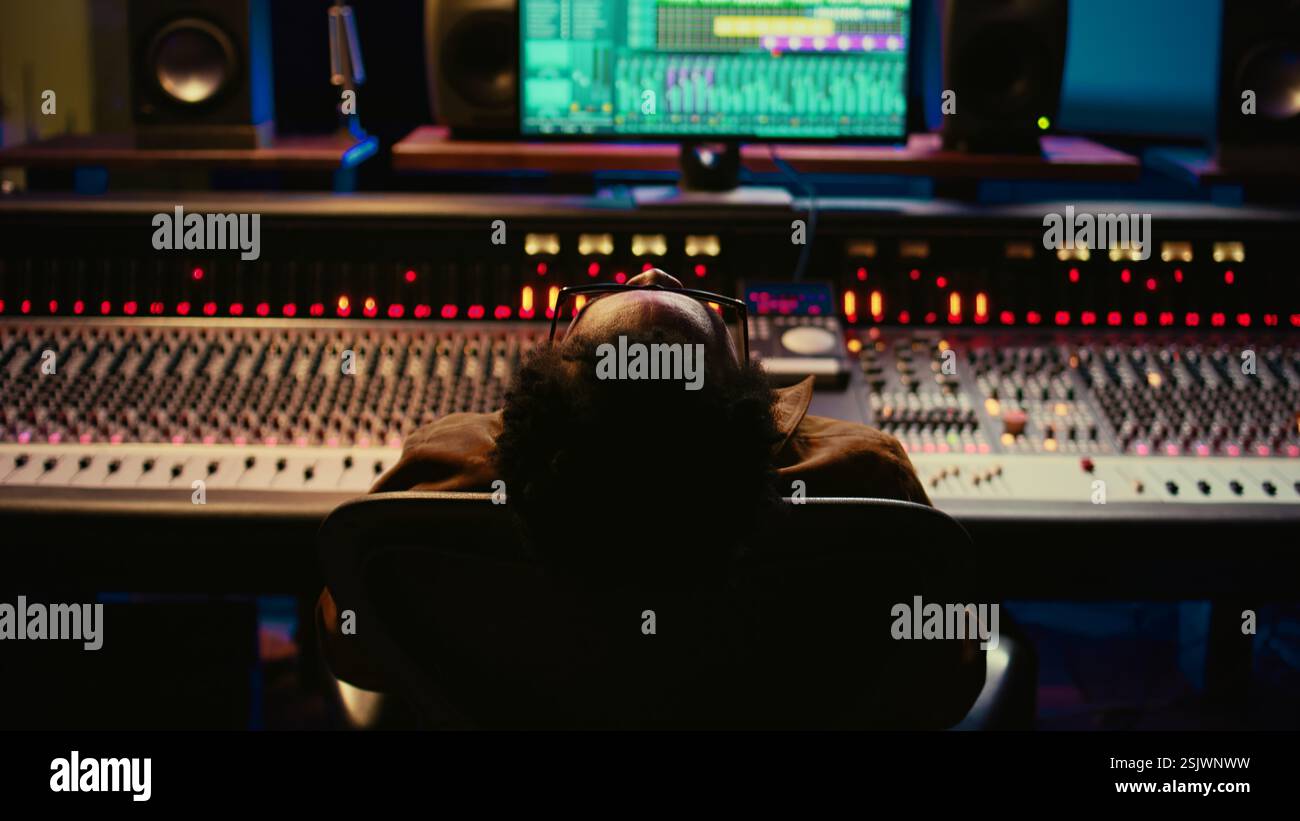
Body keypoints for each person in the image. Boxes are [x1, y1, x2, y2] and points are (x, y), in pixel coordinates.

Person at [318, 269, 983, 725]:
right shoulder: (865, 478)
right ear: (764, 416)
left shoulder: (445, 470)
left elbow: (354, 648)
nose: (648, 271)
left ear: (530, 411)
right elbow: (950, 681)